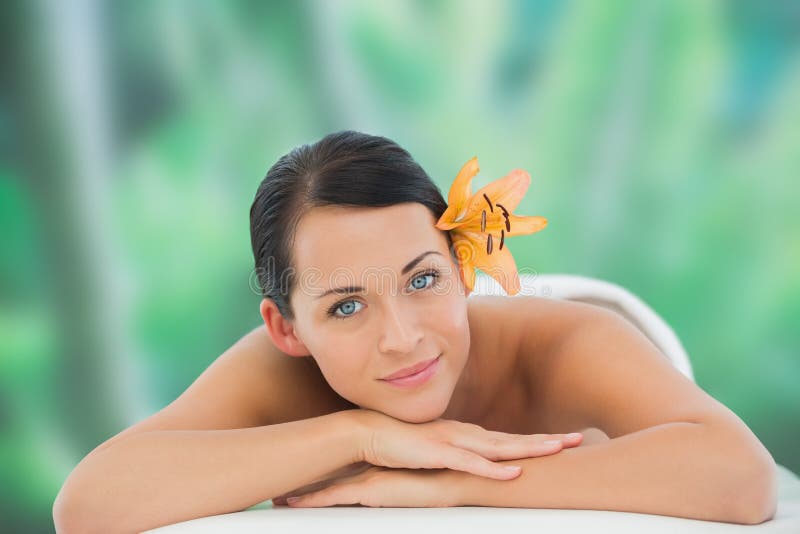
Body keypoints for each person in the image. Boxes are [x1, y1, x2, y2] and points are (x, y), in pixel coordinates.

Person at [53, 130, 776, 533]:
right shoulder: (280, 372)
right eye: (344, 306)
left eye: (421, 279)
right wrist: (358, 437)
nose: (400, 337)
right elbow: (89, 502)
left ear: (464, 268)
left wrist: (454, 484)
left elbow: (740, 477)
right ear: (286, 327)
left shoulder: (566, 345)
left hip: (573, 322)